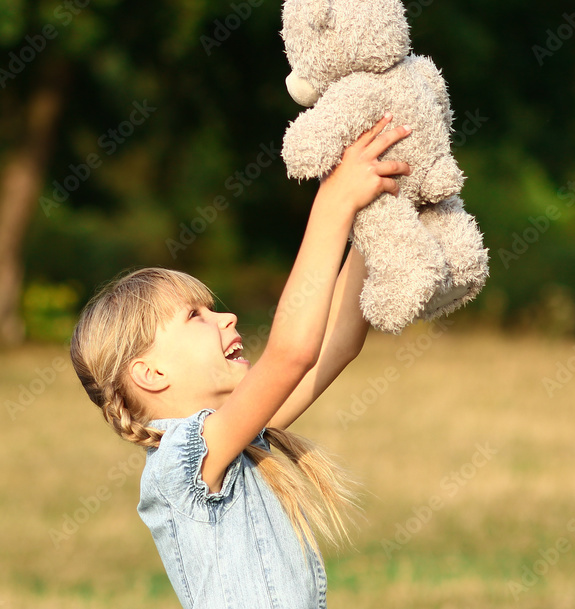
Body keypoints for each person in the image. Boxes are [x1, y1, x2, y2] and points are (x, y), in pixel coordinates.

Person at [70, 114, 411, 608]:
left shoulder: (235, 438)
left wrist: (374, 216)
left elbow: (337, 343)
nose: (227, 318)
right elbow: (292, 353)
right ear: (150, 373)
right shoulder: (181, 464)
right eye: (194, 315)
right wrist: (333, 202)